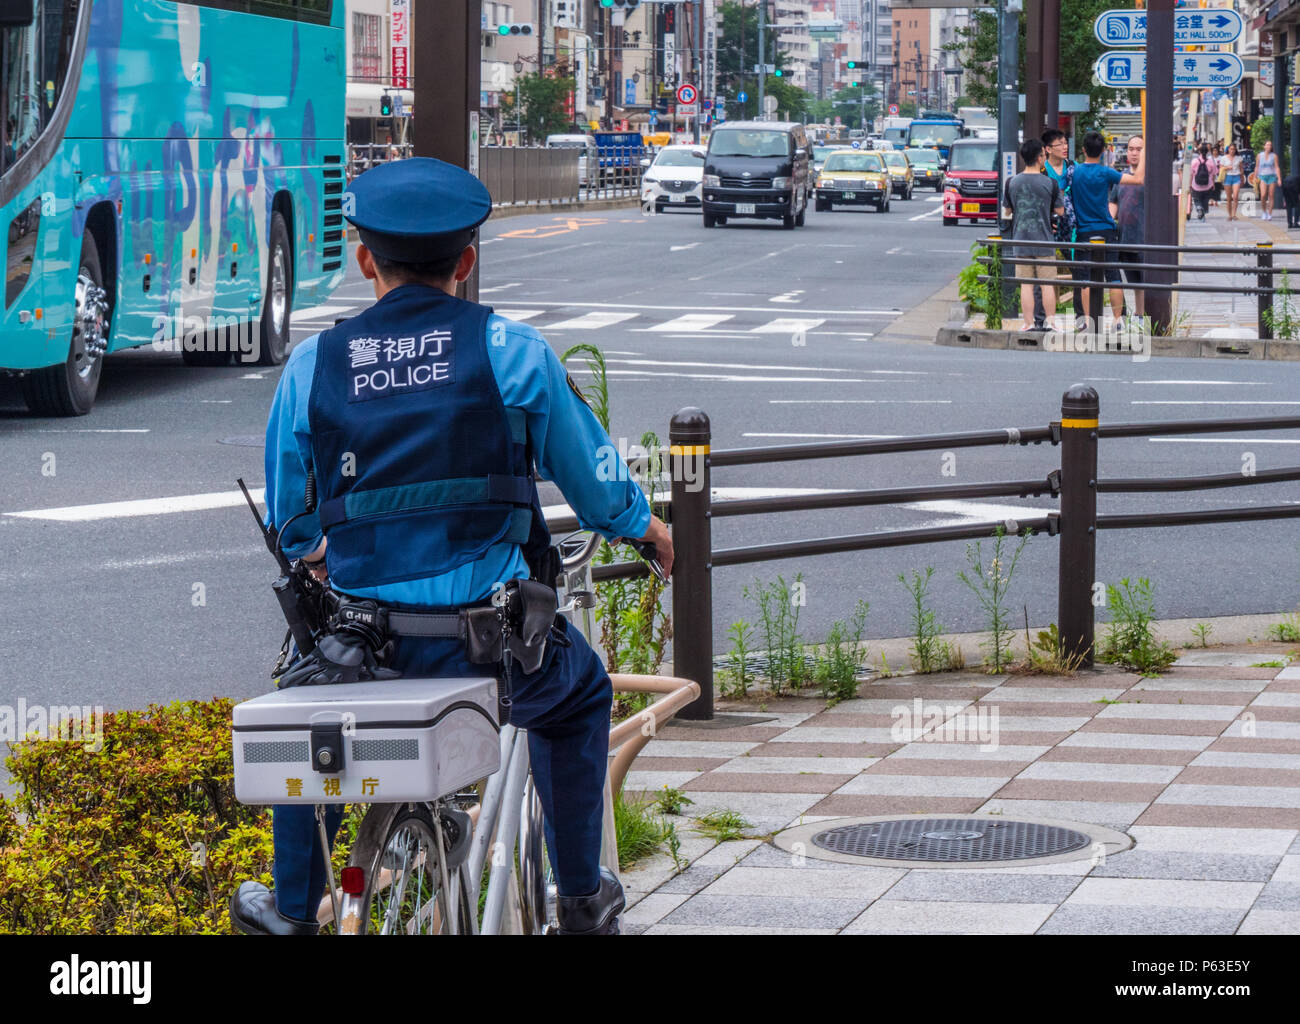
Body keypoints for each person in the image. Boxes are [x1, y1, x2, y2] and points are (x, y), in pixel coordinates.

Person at [229, 157, 674, 936]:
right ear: (466, 261)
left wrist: (319, 554)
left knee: (303, 701)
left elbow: (293, 523)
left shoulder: (314, 366)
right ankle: (579, 898)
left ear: (365, 258)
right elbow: (598, 487)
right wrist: (646, 526)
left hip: (367, 648)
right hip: (494, 651)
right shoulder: (515, 353)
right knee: (583, 695)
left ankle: (295, 911)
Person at [1071, 130, 1144, 327]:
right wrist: (1144, 155)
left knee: (1085, 278)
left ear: (1083, 150)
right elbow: (1137, 180)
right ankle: (1118, 320)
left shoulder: (1074, 172)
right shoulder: (1105, 173)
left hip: (1084, 231)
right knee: (1113, 276)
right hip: (1106, 230)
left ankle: (1087, 320)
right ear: (1103, 151)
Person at [1005, 138, 1064, 332]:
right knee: (1047, 284)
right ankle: (1050, 322)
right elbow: (1061, 211)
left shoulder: (1012, 182)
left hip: (1021, 240)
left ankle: (1028, 323)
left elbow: (1007, 212)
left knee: (1026, 285)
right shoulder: (1050, 183)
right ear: (1040, 157)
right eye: (1044, 155)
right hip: (1044, 240)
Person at [1042, 128, 1084, 328]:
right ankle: (1044, 318)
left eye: (1065, 143)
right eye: (1060, 144)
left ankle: (1080, 317)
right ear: (1048, 149)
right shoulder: (1041, 170)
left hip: (1072, 227)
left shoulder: (1073, 167)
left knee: (1079, 270)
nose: (1065, 147)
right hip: (1048, 227)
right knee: (1044, 272)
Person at [1108, 135, 1147, 328]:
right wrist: (1108, 222)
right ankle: (1132, 315)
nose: (1133, 152)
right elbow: (1113, 203)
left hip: (1145, 237)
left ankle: (1141, 314)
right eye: (1131, 148)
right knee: (1130, 279)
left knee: (1144, 279)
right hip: (1124, 236)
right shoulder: (1120, 177)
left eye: (1139, 149)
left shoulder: (1152, 177)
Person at [1188, 143, 1218, 221]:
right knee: (1205, 200)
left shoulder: (1195, 161)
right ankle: (1202, 216)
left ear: (1199, 152)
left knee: (1196, 200)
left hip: (1196, 185)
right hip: (1208, 185)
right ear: (1208, 152)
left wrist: (1190, 184)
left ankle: (1199, 209)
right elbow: (1214, 173)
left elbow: (1191, 174)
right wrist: (1213, 184)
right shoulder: (1211, 161)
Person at [1256, 140, 1280, 220]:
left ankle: (1269, 213)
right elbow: (1257, 166)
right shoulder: (1259, 155)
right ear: (1264, 146)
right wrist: (1255, 176)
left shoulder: (1274, 156)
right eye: (1267, 145)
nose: (1269, 146)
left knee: (1271, 195)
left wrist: (1279, 178)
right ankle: (1264, 212)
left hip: (1272, 176)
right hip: (1262, 176)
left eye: (1270, 145)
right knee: (1263, 195)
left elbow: (1277, 167)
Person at [1222, 143, 1244, 221]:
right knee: (1228, 198)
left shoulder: (1239, 158)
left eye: (1234, 149)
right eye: (1231, 149)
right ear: (1228, 149)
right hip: (1227, 177)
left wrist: (1242, 178)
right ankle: (1229, 215)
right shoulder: (1224, 158)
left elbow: (1241, 168)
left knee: (1235, 196)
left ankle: (1234, 214)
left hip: (1236, 177)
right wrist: (1227, 167)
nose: (1232, 151)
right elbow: (1221, 168)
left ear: (1235, 150)